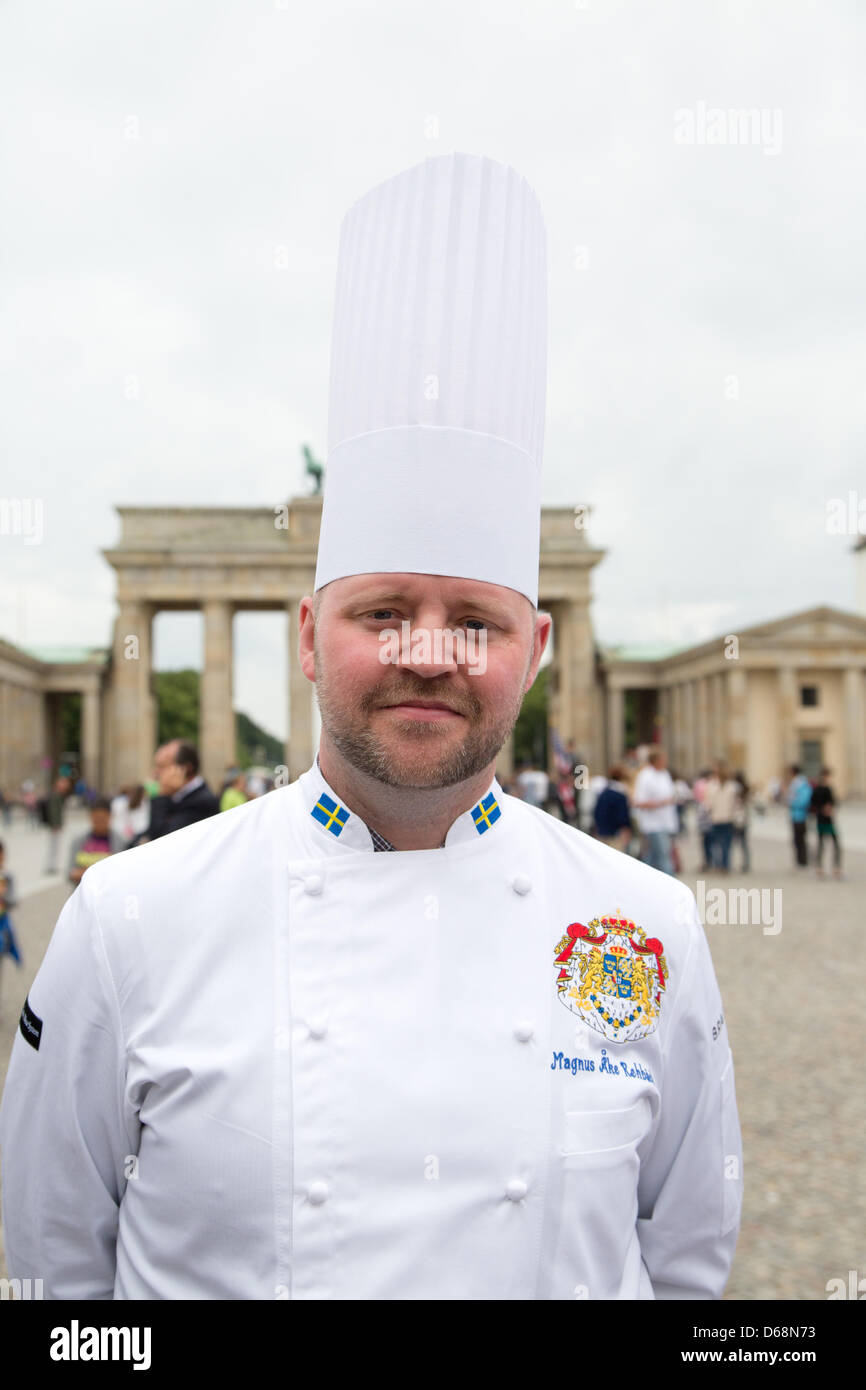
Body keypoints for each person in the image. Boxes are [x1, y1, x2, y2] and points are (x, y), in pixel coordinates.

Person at [0, 153, 741, 1302]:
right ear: (305, 634)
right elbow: (59, 1282)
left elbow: (687, 1268)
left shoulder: (648, 928)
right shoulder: (126, 921)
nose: (427, 655)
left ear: (537, 652)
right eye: (382, 612)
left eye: (475, 621)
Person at [131, 740, 220, 845]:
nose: (155, 772)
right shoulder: (178, 795)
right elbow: (145, 834)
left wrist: (161, 794)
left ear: (185, 768)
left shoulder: (202, 802)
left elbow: (161, 841)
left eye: (162, 766)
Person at [631, 747, 678, 875]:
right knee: (663, 855)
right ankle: (671, 882)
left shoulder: (664, 774)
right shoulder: (645, 776)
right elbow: (638, 802)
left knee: (651, 856)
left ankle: (645, 880)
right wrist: (661, 803)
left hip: (666, 822)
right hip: (653, 824)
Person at [67, 798, 125, 889]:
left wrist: (86, 872)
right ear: (90, 817)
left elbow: (122, 874)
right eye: (96, 820)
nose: (99, 823)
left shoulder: (121, 842)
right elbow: (70, 873)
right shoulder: (78, 841)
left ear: (110, 816)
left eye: (103, 819)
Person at [704, 764, 738, 873]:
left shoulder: (712, 786)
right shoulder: (732, 786)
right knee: (726, 844)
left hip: (717, 818)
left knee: (717, 844)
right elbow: (735, 804)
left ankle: (719, 864)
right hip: (727, 818)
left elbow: (708, 803)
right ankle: (725, 865)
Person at [810, 767, 843, 879]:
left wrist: (827, 808)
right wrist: (825, 808)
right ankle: (826, 868)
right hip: (824, 819)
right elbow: (816, 802)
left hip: (825, 819)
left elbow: (831, 802)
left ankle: (830, 868)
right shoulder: (823, 789)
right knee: (825, 844)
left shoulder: (823, 788)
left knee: (826, 844)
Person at [592, 765, 632, 850]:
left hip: (602, 831)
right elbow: (622, 816)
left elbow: (596, 812)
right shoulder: (620, 794)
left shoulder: (603, 792)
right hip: (615, 833)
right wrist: (626, 829)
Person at [41, 774, 70, 873]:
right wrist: (55, 825)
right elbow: (53, 811)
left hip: (56, 825)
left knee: (55, 846)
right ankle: (51, 866)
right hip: (55, 826)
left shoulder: (58, 795)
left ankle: (53, 865)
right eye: (64, 783)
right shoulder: (55, 795)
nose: (66, 786)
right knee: (53, 846)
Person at [786, 764, 812, 868]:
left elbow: (804, 800)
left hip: (800, 815)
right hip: (795, 815)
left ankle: (803, 860)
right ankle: (799, 860)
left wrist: (792, 803)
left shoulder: (801, 783)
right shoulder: (795, 783)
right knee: (797, 839)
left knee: (801, 839)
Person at [731, 772, 751, 873]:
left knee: (731, 843)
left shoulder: (735, 789)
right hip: (744, 819)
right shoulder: (745, 790)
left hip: (736, 818)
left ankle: (728, 863)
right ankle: (746, 863)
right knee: (744, 843)